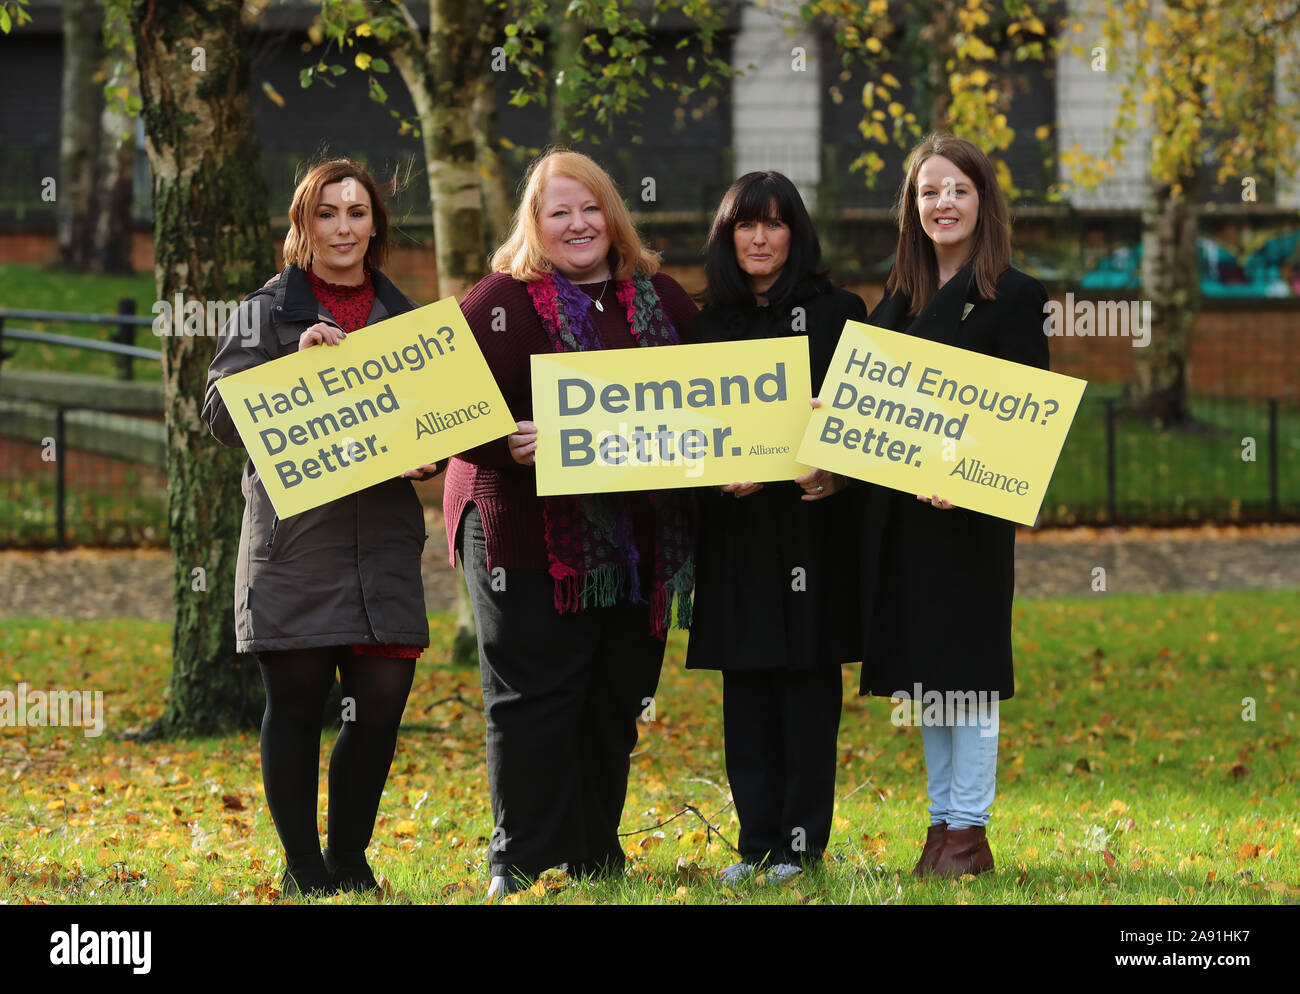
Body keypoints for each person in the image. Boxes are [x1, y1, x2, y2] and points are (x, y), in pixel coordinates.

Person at [443, 149, 697, 898]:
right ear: (536, 223)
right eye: (560, 212)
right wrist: (505, 440)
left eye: (591, 209)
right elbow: (448, 406)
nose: (579, 224)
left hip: (634, 538)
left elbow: (721, 398)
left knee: (615, 692)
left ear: (613, 217)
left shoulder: (663, 302)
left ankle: (593, 850)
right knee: (533, 696)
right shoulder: (501, 301)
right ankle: (518, 857)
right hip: (522, 532)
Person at [201, 158, 442, 898]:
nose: (343, 227)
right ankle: (305, 865)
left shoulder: (408, 322)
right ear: (302, 225)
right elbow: (216, 413)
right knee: (297, 708)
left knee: (378, 710)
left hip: (383, 545)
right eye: (327, 213)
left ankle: (350, 855)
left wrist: (429, 450)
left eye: (357, 212)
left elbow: (434, 420)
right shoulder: (264, 312)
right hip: (296, 543)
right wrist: (289, 369)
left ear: (376, 225)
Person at [852, 134, 1049, 877]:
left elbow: (1026, 417)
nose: (943, 203)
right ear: (912, 205)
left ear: (982, 201)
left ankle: (969, 834)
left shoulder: (1015, 294)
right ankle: (939, 827)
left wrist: (964, 474)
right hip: (899, 520)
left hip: (965, 519)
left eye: (958, 190)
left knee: (966, 674)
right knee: (926, 679)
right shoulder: (896, 298)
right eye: (929, 191)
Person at [684, 171, 865, 885]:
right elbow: (683, 431)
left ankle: (800, 846)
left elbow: (861, 428)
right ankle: (755, 843)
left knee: (806, 689)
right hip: (735, 534)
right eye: (744, 226)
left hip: (810, 535)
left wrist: (830, 470)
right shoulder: (707, 324)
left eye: (774, 223)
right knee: (748, 687)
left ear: (796, 233)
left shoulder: (839, 313)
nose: (760, 238)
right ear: (727, 238)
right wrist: (710, 469)